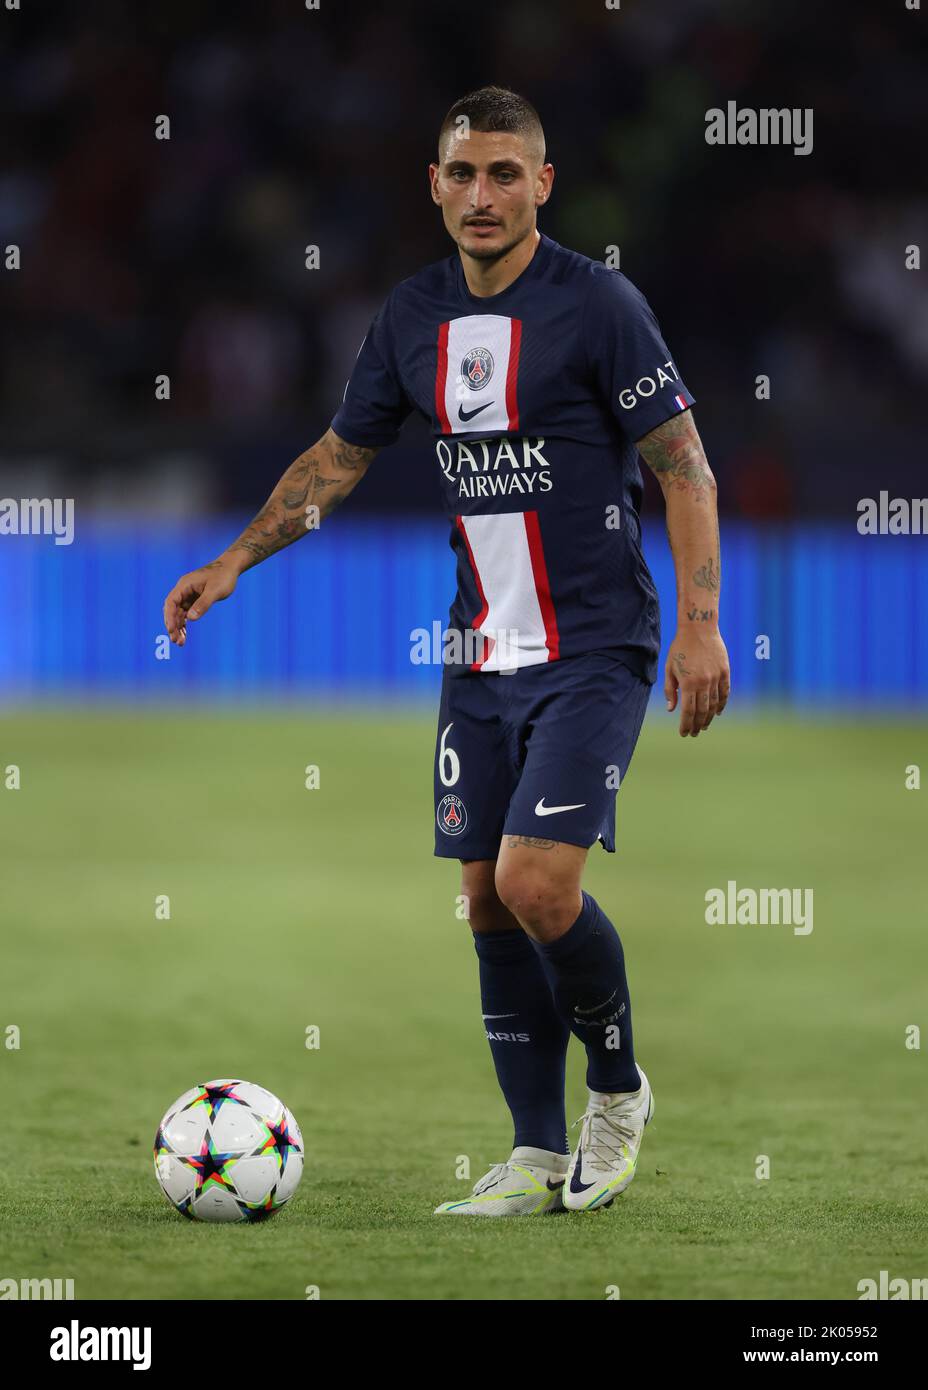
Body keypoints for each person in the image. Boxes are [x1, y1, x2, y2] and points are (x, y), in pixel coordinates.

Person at [163, 85, 730, 1217]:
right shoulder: (411, 317)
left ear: (542, 186)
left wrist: (703, 620)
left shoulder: (599, 305)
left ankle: (615, 1090)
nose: (482, 194)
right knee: (482, 903)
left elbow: (682, 464)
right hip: (479, 655)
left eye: (505, 174)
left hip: (594, 647)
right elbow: (339, 455)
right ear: (434, 185)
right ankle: (531, 1150)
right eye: (463, 174)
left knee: (535, 884)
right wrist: (234, 560)